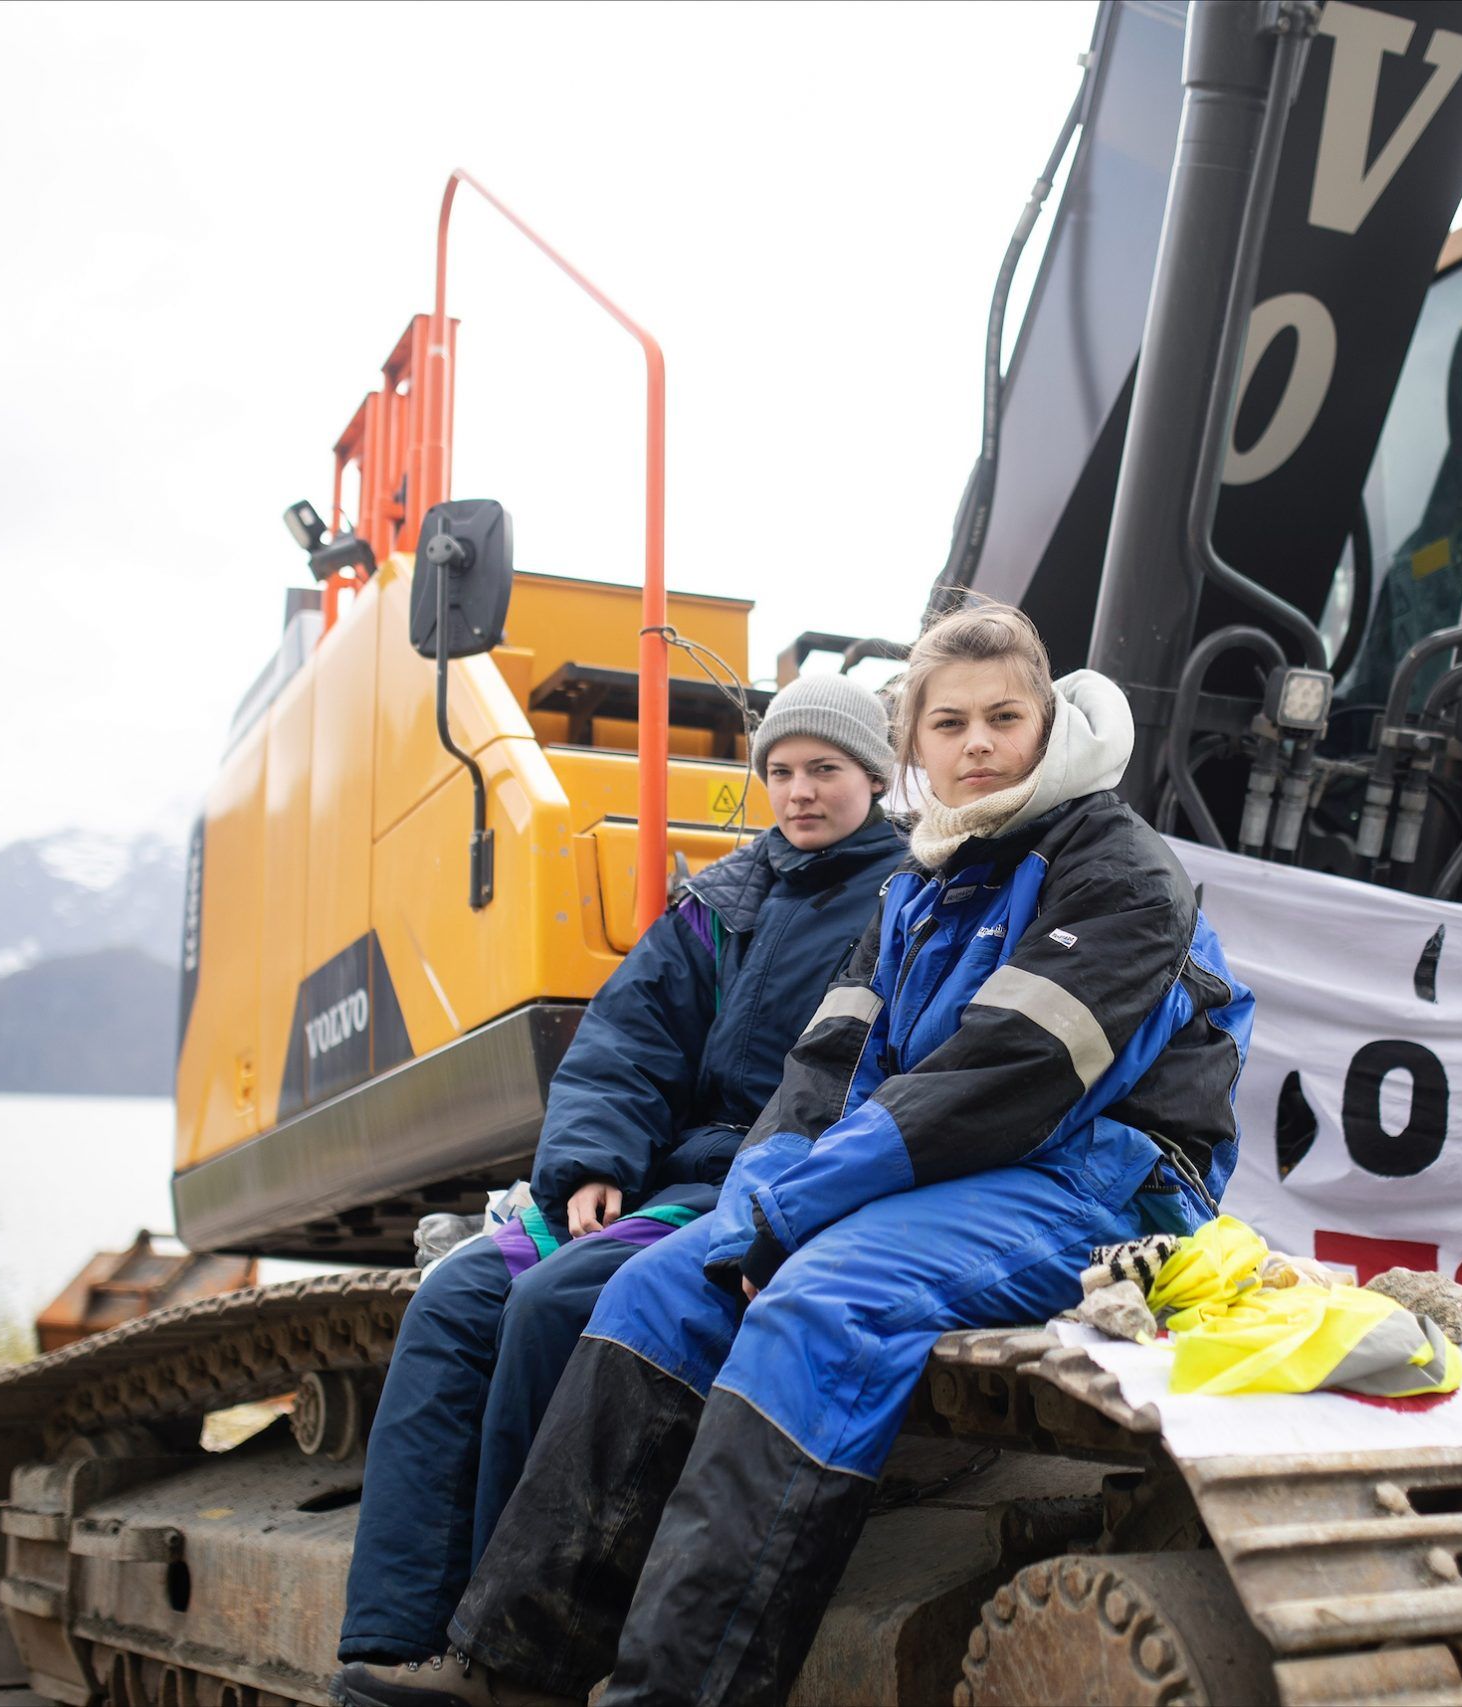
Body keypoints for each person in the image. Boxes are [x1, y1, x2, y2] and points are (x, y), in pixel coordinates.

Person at [401, 601, 1253, 1707]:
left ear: (1046, 723)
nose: (979, 743)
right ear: (915, 748)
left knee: (821, 1300)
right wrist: (754, 1209)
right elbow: (816, 1083)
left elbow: (1002, 1082)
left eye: (1004, 717)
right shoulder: (919, 888)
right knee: (663, 1285)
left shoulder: (1118, 871)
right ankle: (519, 1665)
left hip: (1100, 1178)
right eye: (949, 723)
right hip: (952, 1174)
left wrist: (789, 1219)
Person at [331, 673, 907, 1699]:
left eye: (824, 769)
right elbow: (627, 1041)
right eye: (780, 770)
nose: (799, 791)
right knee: (457, 1296)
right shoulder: (723, 900)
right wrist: (595, 1159)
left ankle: (494, 1653)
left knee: (552, 1305)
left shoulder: (904, 902)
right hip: (663, 1176)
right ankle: (399, 1639)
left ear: (874, 775)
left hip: (751, 1183)